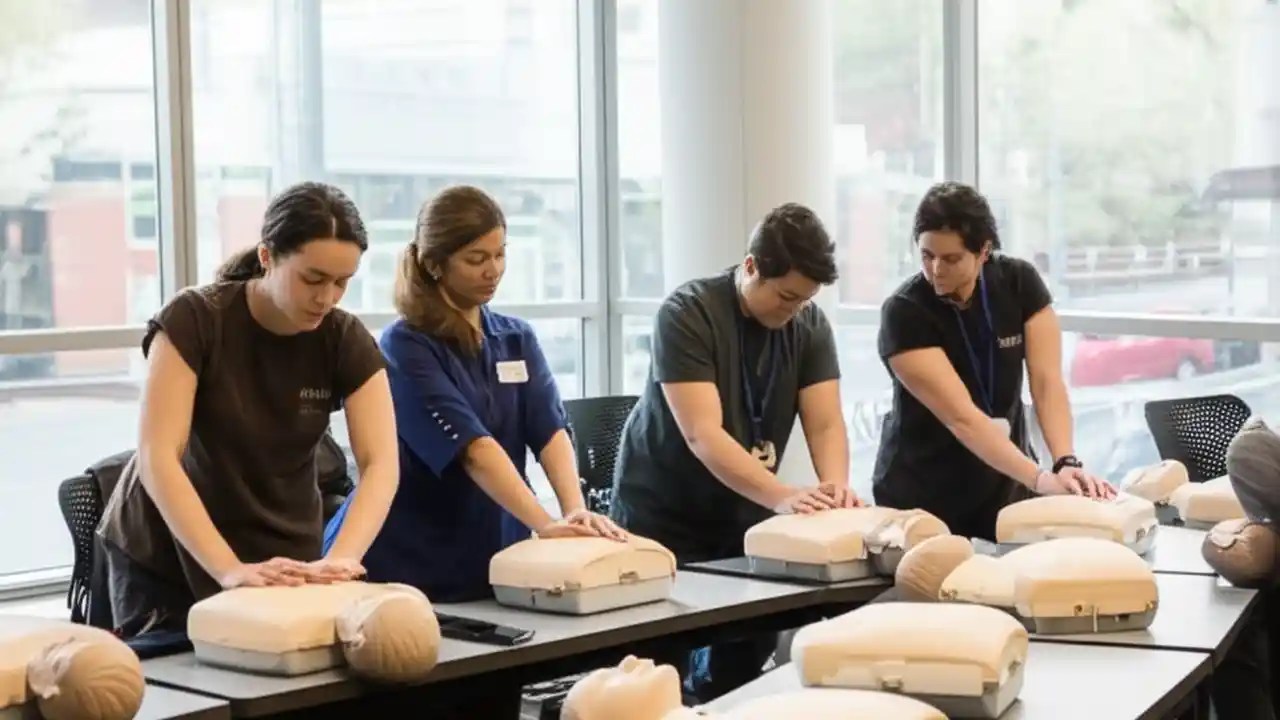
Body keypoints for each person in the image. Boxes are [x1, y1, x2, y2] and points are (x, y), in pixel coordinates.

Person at [97, 181, 400, 638]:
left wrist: (341, 559)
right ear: (266, 257)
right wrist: (229, 569)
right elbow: (159, 455)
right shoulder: (194, 319)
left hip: (283, 551)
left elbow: (381, 464)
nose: (327, 297)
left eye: (342, 283)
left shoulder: (344, 338)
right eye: (313, 279)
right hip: (170, 552)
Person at [325, 184, 624, 607]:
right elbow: (473, 450)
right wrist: (544, 523)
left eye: (500, 254)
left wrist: (573, 513)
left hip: (497, 546)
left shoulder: (515, 337)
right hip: (414, 557)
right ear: (433, 265)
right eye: (476, 259)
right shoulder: (404, 346)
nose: (494, 270)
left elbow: (550, 430)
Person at [610, 202, 858, 703]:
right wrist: (784, 495)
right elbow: (703, 433)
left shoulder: (807, 325)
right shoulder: (687, 313)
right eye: (786, 295)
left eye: (805, 300)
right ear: (751, 267)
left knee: (742, 668)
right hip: (665, 514)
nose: (794, 309)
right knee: (657, 678)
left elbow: (826, 421)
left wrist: (835, 489)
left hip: (744, 516)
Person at [871, 181, 1113, 542]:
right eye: (926, 255)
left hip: (1005, 482)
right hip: (922, 492)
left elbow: (1046, 383)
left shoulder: (1019, 283)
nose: (936, 269)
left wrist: (1065, 461)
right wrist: (1041, 479)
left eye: (950, 258)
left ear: (983, 251)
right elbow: (962, 418)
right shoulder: (905, 312)